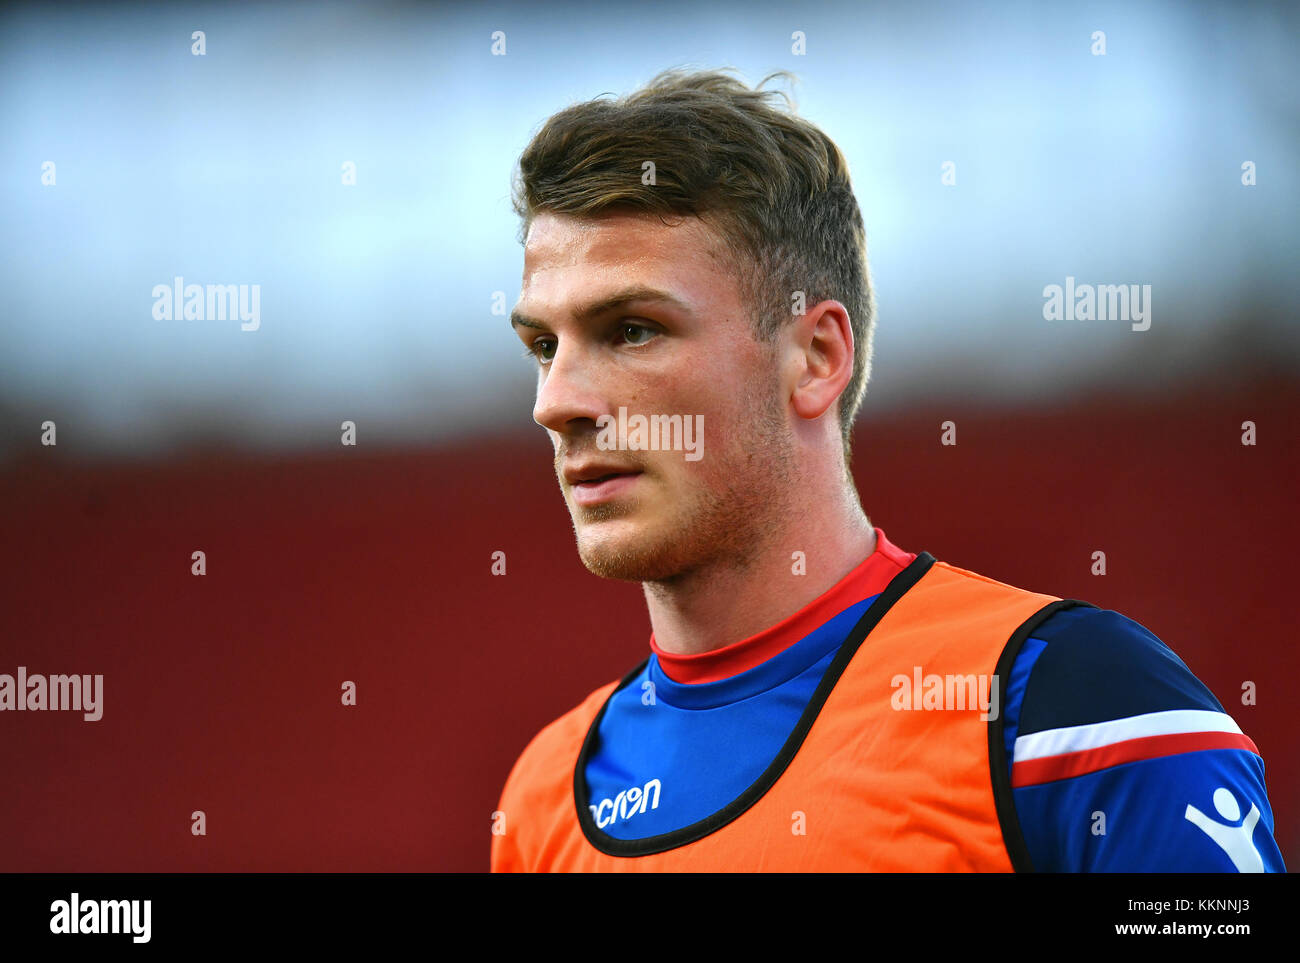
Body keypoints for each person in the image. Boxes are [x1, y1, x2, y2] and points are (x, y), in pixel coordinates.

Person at [490, 67, 1285, 872]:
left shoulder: (1068, 709)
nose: (555, 403)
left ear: (816, 357)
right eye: (544, 346)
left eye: (631, 329)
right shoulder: (541, 802)